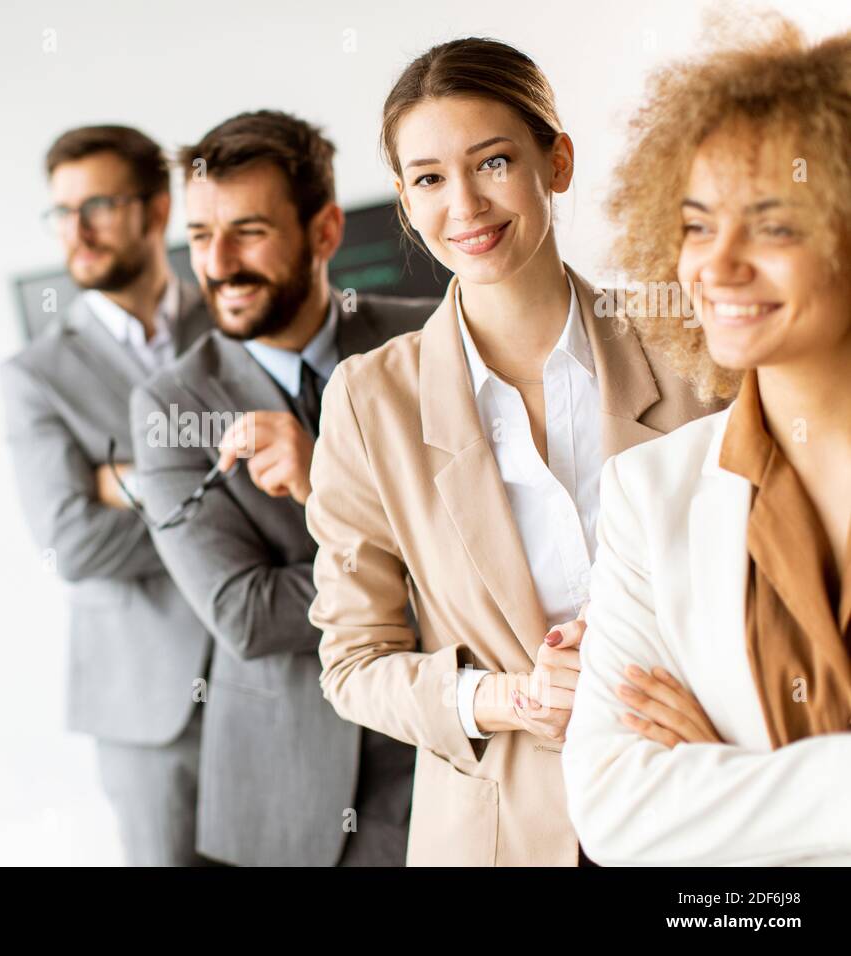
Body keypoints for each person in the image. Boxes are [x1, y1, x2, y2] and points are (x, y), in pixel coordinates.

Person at [305, 38, 714, 866]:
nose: (465, 205)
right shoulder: (367, 399)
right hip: (501, 836)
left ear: (555, 160)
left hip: (702, 797)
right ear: (405, 200)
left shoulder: (689, 342)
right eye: (428, 178)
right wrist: (507, 697)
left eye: (492, 162)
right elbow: (353, 662)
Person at [562, 14, 851, 866]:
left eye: (772, 224)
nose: (716, 265)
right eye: (696, 225)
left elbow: (670, 817)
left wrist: (730, 772)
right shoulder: (651, 490)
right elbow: (614, 808)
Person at [128, 110, 436, 865]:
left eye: (250, 231)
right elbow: (246, 614)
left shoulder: (430, 343)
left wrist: (319, 482)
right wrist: (426, 577)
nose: (219, 263)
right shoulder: (170, 406)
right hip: (291, 794)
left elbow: (507, 543)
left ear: (326, 231)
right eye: (201, 237)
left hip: (453, 755)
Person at [0, 125, 213, 865]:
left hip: (277, 680)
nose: (75, 231)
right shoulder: (35, 375)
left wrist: (128, 481)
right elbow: (75, 542)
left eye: (96, 206)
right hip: (145, 704)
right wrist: (217, 488)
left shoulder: (234, 321)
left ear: (157, 211)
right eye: (61, 212)